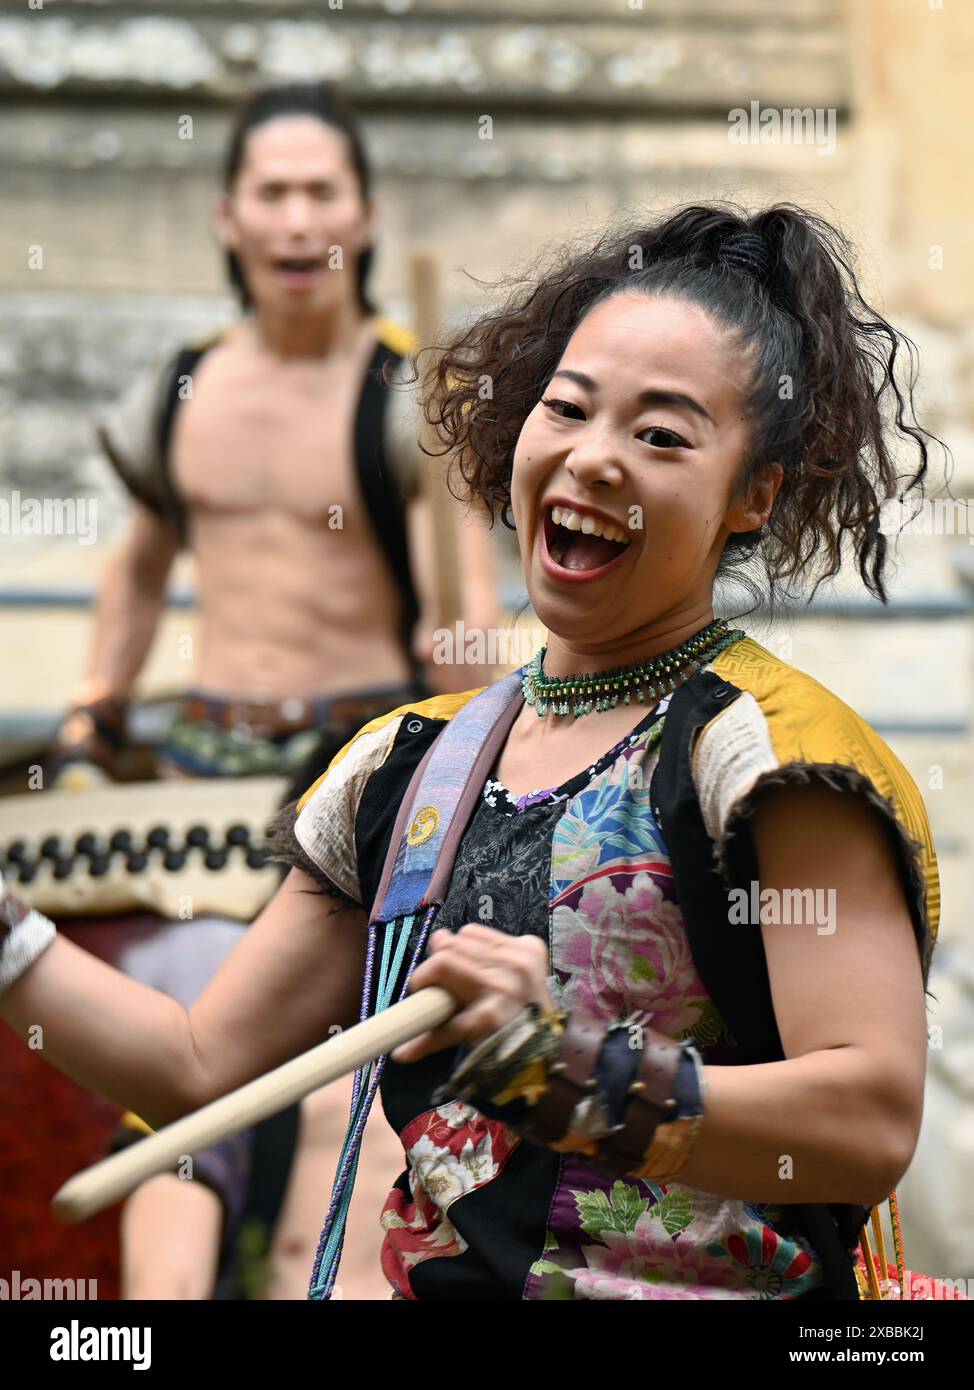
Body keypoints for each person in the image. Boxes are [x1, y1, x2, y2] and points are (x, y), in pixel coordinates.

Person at [1, 201, 941, 1301]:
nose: (591, 457)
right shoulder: (407, 770)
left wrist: (574, 1073)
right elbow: (197, 1066)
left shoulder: (769, 758)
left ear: (753, 496)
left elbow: (868, 1117)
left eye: (660, 436)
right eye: (568, 409)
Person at [41, 81, 500, 1301]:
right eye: (272, 193)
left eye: (321, 192)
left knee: (332, 1098)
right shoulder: (178, 389)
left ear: (362, 212)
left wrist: (472, 738)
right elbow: (138, 568)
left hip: (359, 790)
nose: (299, 220)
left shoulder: (419, 400)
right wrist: (97, 704)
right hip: (198, 780)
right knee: (171, 1059)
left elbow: (473, 617)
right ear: (227, 215)